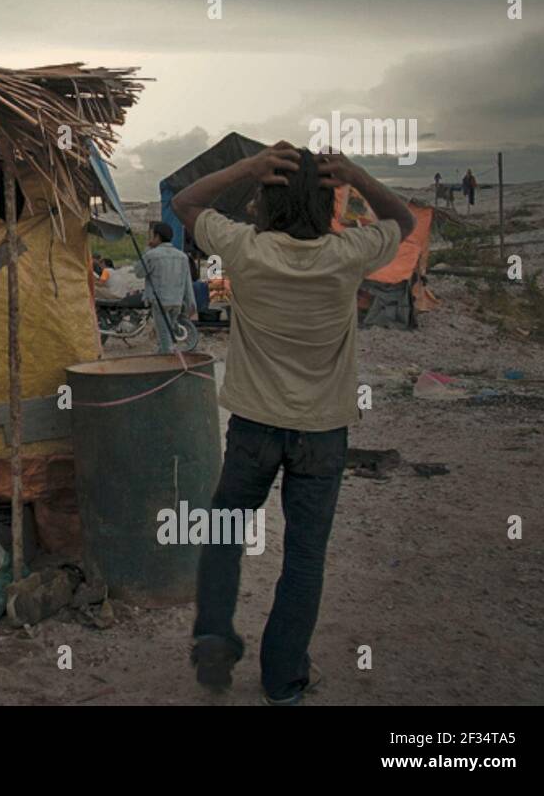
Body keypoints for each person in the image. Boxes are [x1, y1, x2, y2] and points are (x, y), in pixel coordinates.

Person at [171, 142, 414, 705]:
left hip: (255, 427)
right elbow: (400, 220)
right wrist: (356, 174)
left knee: (226, 532)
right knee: (305, 558)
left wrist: (247, 166)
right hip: (323, 433)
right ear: (329, 201)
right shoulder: (349, 252)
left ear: (264, 200)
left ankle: (213, 639)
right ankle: (283, 680)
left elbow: (185, 201)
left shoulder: (245, 248)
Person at [134, 221, 197, 354]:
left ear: (157, 237)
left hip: (160, 303)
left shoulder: (152, 255)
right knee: (167, 335)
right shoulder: (182, 256)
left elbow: (139, 272)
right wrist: (191, 303)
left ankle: (169, 365)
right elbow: (187, 283)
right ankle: (165, 355)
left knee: (165, 340)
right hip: (177, 302)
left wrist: (147, 250)